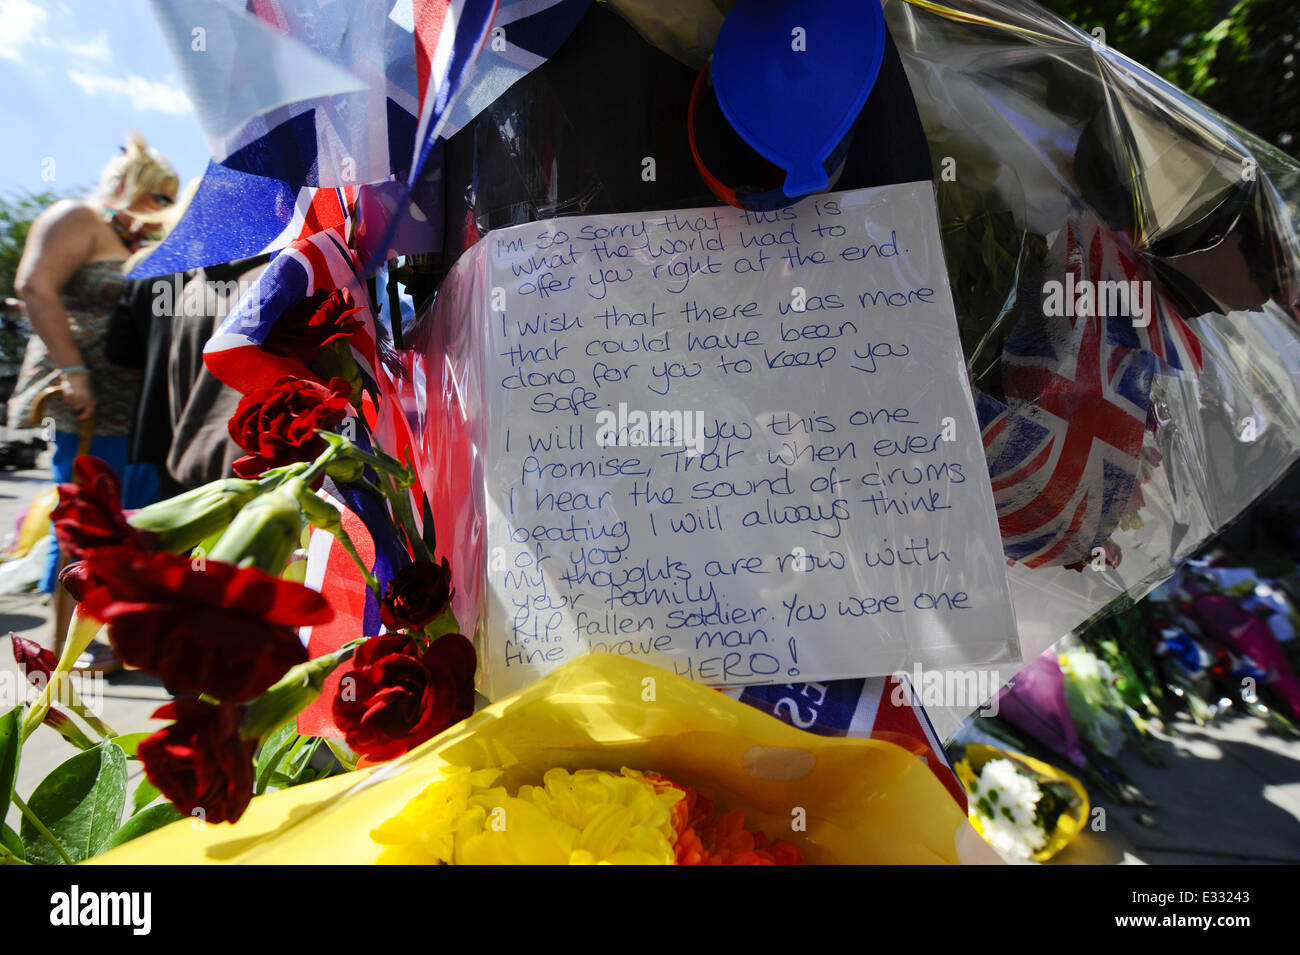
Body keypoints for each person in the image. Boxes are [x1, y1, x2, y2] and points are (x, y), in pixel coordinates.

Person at [7, 131, 178, 670]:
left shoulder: (129, 241)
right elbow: (35, 287)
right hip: (85, 401)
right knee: (87, 514)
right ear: (134, 187)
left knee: (131, 516)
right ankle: (74, 642)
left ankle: (120, 635)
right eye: (160, 198)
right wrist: (75, 371)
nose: (164, 212)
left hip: (135, 405)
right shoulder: (76, 217)